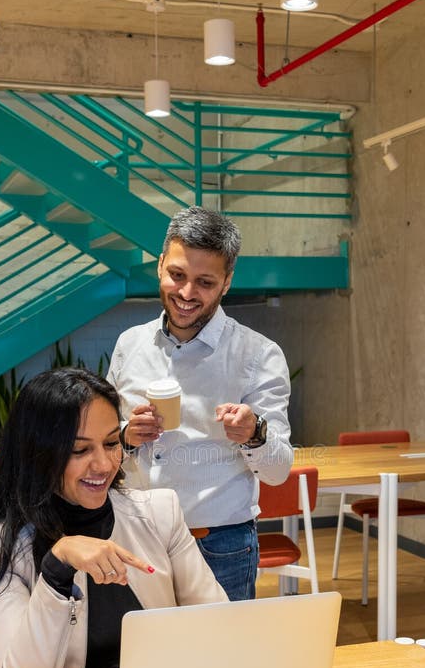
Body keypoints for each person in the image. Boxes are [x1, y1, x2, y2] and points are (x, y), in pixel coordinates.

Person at [0, 367, 227, 668]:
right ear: (37, 454)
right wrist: (56, 568)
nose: (103, 464)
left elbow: (218, 625)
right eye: (79, 450)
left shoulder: (159, 513)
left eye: (112, 442)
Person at [107, 205, 293, 601]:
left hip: (220, 546)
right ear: (160, 266)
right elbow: (101, 446)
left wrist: (254, 433)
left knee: (222, 660)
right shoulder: (129, 346)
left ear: (226, 282)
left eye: (205, 282)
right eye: (177, 275)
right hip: (135, 539)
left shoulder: (258, 355)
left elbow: (278, 471)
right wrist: (124, 437)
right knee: (141, 656)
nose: (187, 293)